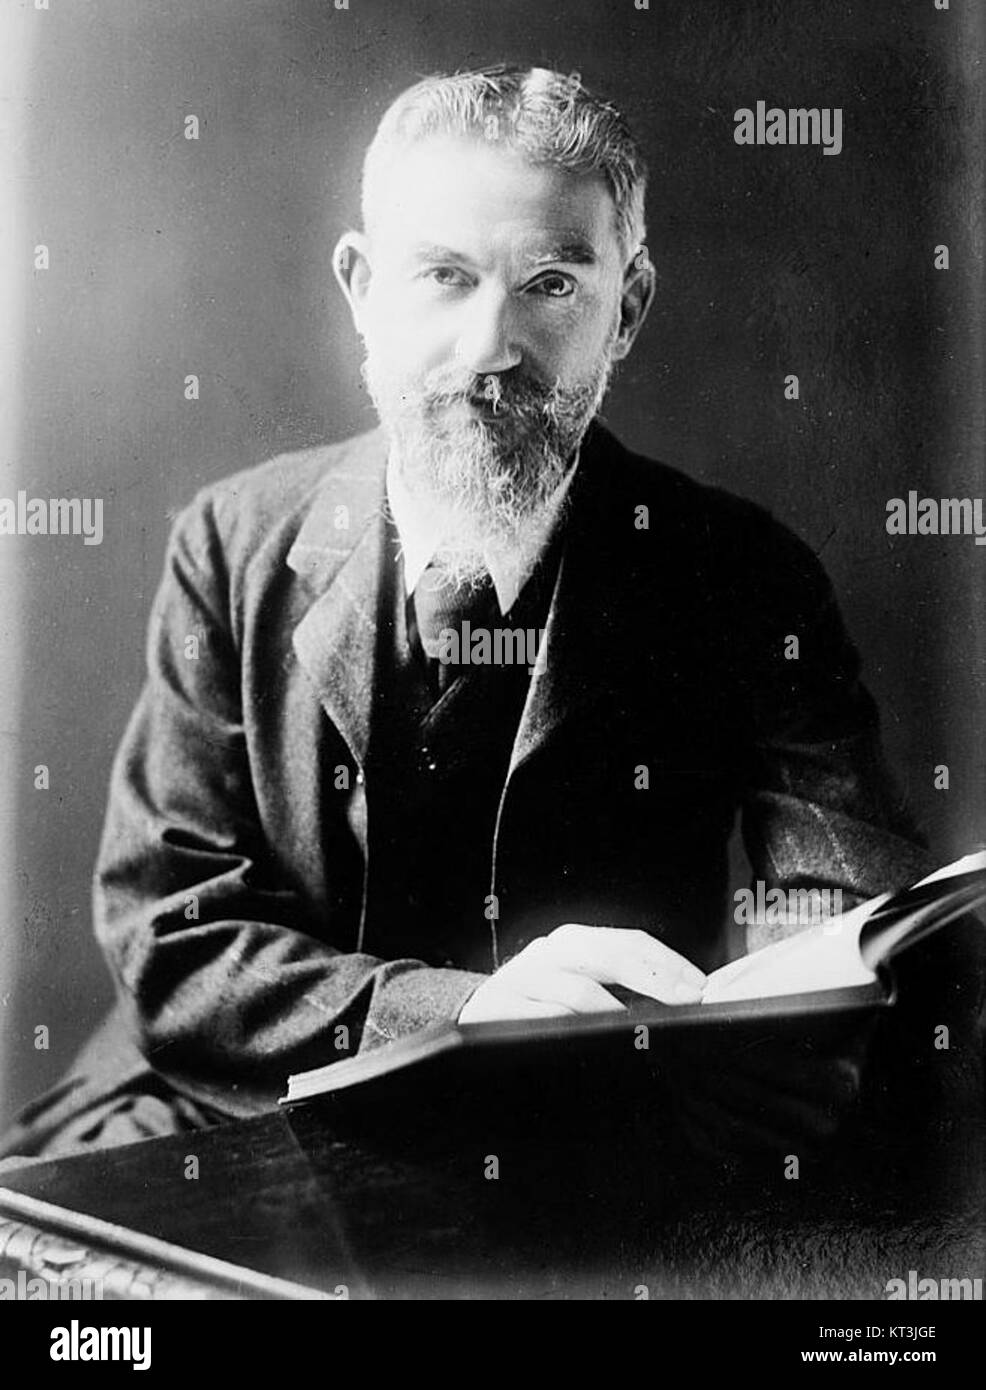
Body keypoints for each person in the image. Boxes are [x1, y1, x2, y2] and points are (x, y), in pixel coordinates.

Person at [0, 65, 954, 1162]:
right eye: (444, 276)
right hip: (240, 1104)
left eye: (550, 284)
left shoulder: (742, 577)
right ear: (361, 290)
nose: (487, 349)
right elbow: (173, 942)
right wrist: (460, 1010)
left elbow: (852, 913)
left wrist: (761, 1027)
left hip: (598, 1124)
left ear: (626, 309)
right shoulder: (230, 544)